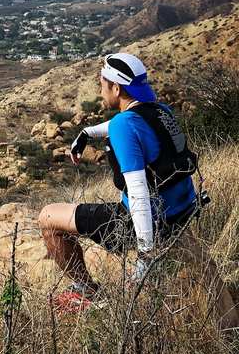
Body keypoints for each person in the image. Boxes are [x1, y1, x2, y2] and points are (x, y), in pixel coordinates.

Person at [38, 53, 239, 328]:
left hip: (140, 221)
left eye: (102, 84)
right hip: (179, 213)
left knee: (48, 218)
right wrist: (87, 133)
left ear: (116, 88)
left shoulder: (124, 125)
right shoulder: (161, 111)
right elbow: (129, 123)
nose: (100, 89)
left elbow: (138, 192)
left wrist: (145, 255)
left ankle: (86, 290)